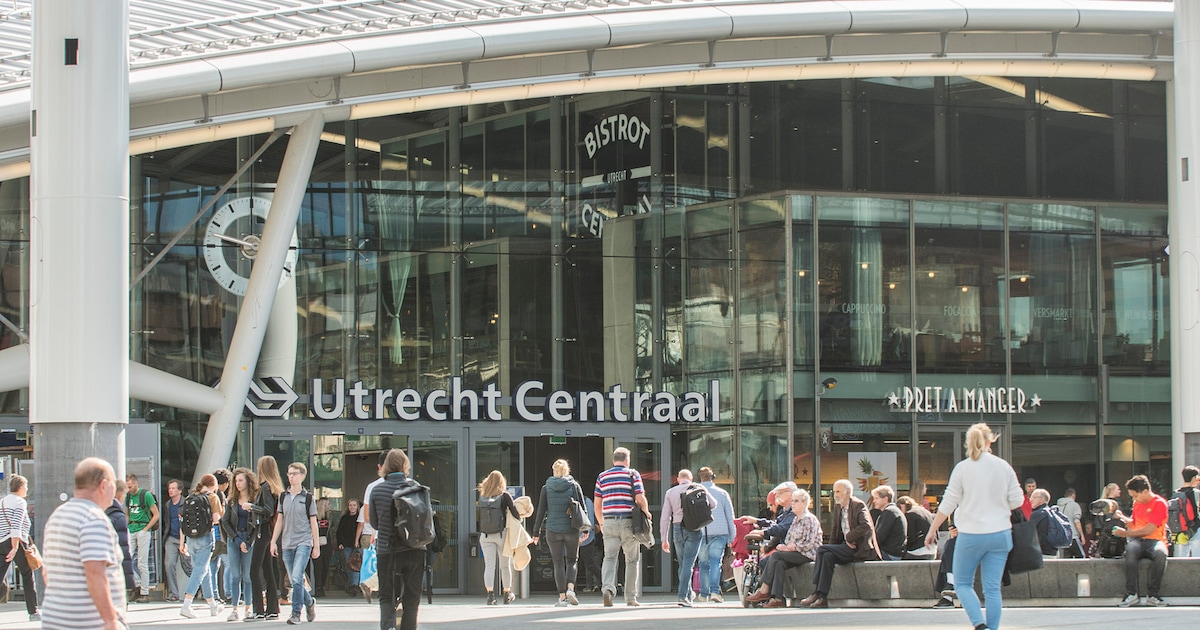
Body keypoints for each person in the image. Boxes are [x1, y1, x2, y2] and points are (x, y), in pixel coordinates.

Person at [924, 423, 1023, 630]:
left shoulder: (963, 468)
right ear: (990, 441)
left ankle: (979, 625)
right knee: (992, 589)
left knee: (962, 584)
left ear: (968, 443)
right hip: (1000, 533)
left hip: (971, 535)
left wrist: (933, 529)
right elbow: (1017, 501)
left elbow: (948, 503)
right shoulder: (1003, 467)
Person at [40, 457, 126, 630]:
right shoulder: (93, 519)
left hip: (55, 619)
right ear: (103, 485)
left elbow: (47, 572)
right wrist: (110, 621)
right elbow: (95, 574)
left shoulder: (58, 515)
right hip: (89, 623)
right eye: (113, 484)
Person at [801, 479, 881, 608]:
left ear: (848, 492)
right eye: (834, 492)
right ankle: (822, 597)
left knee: (821, 550)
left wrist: (849, 538)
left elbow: (866, 526)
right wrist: (832, 547)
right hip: (845, 547)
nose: (835, 495)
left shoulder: (858, 505)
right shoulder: (838, 507)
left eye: (838, 492)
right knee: (827, 556)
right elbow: (835, 530)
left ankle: (815, 592)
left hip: (859, 549)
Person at [369, 448, 426, 630]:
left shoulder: (377, 490)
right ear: (405, 465)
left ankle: (388, 626)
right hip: (415, 549)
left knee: (387, 595)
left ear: (385, 466)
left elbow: (375, 524)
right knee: (412, 597)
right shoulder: (415, 488)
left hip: (388, 549)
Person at [594, 446, 652, 608]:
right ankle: (630, 598)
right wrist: (647, 512)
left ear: (614, 460)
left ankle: (607, 589)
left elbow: (597, 505)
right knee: (632, 560)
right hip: (628, 522)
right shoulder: (633, 474)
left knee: (609, 557)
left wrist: (601, 523)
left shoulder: (602, 476)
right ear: (627, 460)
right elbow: (639, 498)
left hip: (609, 521)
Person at [745, 488, 822, 608]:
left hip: (808, 553)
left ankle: (764, 588)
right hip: (796, 552)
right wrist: (785, 546)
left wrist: (793, 547)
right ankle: (778, 598)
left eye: (796, 501)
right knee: (779, 563)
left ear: (804, 503)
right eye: (792, 501)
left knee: (776, 555)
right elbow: (788, 537)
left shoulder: (809, 519)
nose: (793, 504)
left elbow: (810, 543)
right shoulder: (796, 519)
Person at [531, 459, 590, 607]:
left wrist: (536, 532)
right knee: (572, 560)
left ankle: (562, 597)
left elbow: (541, 511)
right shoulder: (574, 486)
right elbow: (583, 509)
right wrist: (585, 529)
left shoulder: (546, 488)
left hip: (553, 530)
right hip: (571, 529)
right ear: (567, 470)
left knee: (558, 563)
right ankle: (571, 589)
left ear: (554, 471)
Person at [271, 462, 319, 625]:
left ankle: (296, 613)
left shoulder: (308, 498)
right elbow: (280, 520)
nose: (291, 477)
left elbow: (313, 522)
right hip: (287, 543)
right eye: (289, 474)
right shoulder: (283, 497)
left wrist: (316, 545)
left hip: (303, 541)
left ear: (302, 476)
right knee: (294, 580)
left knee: (297, 576)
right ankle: (309, 602)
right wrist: (273, 541)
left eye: (294, 474)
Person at [660, 468, 716, 607]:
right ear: (691, 479)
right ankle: (683, 596)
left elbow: (665, 517)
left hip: (677, 528)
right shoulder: (698, 488)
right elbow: (713, 504)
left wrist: (663, 538)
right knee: (688, 564)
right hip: (694, 527)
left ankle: (689, 593)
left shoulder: (670, 492)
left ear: (678, 479)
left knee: (683, 563)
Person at [1114, 474, 1169, 607]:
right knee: (1130, 550)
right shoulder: (1137, 504)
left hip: (1155, 540)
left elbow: (1149, 530)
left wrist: (1125, 534)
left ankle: (1153, 594)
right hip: (1138, 540)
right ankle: (1131, 593)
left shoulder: (1159, 503)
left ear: (1145, 491)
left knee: (1160, 554)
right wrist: (1122, 518)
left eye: (1135, 496)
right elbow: (1135, 524)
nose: (1134, 499)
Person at [179, 474, 225, 619]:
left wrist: (182, 542)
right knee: (200, 570)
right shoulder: (212, 497)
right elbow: (216, 519)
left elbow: (183, 521)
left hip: (190, 539)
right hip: (205, 537)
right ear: (214, 485)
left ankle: (212, 605)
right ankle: (186, 604)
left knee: (205, 571)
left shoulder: (191, 497)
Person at [476, 470, 521, 604]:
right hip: (501, 535)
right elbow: (516, 514)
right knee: (505, 565)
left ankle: (490, 596)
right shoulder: (504, 496)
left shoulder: (482, 496)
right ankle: (507, 594)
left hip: (485, 535)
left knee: (489, 566)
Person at [248, 455, 284, 621]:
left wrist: (251, 507)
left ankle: (259, 610)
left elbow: (268, 510)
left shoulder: (265, 488)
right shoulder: (274, 487)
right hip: (269, 531)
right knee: (268, 570)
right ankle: (272, 608)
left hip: (263, 531)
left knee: (254, 570)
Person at [0, 474, 40, 621]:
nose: (27, 489)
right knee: (27, 575)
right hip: (16, 543)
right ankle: (33, 612)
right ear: (21, 487)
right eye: (26, 486)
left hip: (1, 542)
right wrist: (15, 547)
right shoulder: (20, 502)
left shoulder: (2, 502)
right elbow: (16, 525)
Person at [222, 467, 259, 621]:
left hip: (249, 538)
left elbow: (257, 524)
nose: (237, 483)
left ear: (248, 481)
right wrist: (236, 539)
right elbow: (225, 521)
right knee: (235, 575)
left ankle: (248, 608)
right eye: (236, 481)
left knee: (247, 576)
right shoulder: (231, 501)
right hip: (234, 538)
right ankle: (235, 609)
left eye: (241, 480)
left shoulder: (255, 500)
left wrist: (248, 542)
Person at [696, 466, 735, 603]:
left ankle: (703, 593)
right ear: (713, 477)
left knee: (703, 564)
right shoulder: (722, 493)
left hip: (701, 532)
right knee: (715, 562)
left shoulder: (695, 493)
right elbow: (730, 517)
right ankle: (714, 591)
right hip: (720, 532)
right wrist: (732, 537)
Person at [357, 451, 388, 604]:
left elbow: (368, 516)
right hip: (401, 535)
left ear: (379, 467)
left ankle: (370, 582)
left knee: (381, 563)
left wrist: (375, 531)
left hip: (379, 534)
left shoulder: (373, 486)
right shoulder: (409, 483)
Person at [124, 473, 160, 603]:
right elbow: (127, 514)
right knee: (126, 559)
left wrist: (146, 529)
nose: (129, 489)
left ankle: (144, 591)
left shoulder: (146, 495)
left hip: (143, 528)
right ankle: (137, 585)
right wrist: (126, 527)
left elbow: (156, 514)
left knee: (142, 562)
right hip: (132, 528)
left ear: (136, 483)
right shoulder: (128, 496)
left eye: (130, 486)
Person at [161, 479, 192, 603]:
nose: (170, 490)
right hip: (171, 537)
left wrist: (186, 541)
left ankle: (201, 588)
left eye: (173, 488)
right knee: (169, 564)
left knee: (187, 566)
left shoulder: (186, 503)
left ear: (179, 490)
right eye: (169, 488)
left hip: (184, 539)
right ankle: (174, 593)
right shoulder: (168, 505)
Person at [107, 479, 136, 597]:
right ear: (120, 495)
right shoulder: (118, 516)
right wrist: (129, 579)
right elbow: (123, 547)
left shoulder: (101, 511)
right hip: (115, 569)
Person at [870, 485, 907, 561]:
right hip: (894, 554)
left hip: (889, 554)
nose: (874, 501)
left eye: (876, 498)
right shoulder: (894, 511)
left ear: (885, 499)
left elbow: (879, 537)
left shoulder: (889, 512)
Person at [1170, 466, 1200, 558]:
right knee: (1197, 557)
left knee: (1182, 556)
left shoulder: (1176, 492)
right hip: (1195, 528)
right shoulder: (1196, 492)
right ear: (1194, 478)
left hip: (1181, 530)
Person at [337, 499, 362, 595]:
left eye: (354, 505)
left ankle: (354, 585)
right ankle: (351, 584)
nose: (352, 507)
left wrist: (358, 541)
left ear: (357, 506)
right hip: (346, 545)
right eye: (350, 505)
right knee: (349, 565)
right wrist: (340, 543)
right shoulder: (344, 518)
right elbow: (339, 531)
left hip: (357, 545)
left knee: (356, 565)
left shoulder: (360, 517)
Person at [1056, 488, 1086, 558]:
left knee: (1066, 559)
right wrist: (1082, 535)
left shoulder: (1057, 506)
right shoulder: (1074, 505)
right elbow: (1076, 521)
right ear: (1073, 495)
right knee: (1081, 557)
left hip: (1061, 537)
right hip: (1072, 536)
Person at [1029, 488, 1059, 558]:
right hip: (1053, 552)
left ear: (1042, 499)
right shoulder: (1053, 513)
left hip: (1040, 553)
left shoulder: (1037, 514)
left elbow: (1028, 533)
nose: (1031, 500)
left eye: (1034, 497)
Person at [314, 497, 332, 598]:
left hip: (327, 543)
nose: (329, 506)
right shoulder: (315, 517)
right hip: (316, 543)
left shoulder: (329, 517)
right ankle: (317, 587)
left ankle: (322, 586)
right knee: (318, 566)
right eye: (327, 504)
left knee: (326, 566)